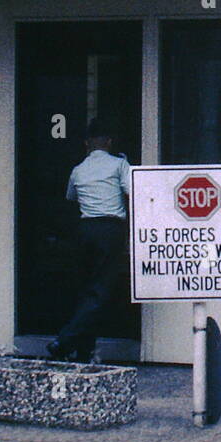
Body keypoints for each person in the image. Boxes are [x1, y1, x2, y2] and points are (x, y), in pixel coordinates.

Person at [48, 118, 132, 363]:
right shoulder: (119, 165)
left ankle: (85, 350)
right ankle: (64, 341)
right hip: (110, 229)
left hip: (85, 230)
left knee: (87, 291)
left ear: (87, 143)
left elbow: (70, 196)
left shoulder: (78, 170)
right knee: (101, 291)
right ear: (108, 141)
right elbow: (131, 191)